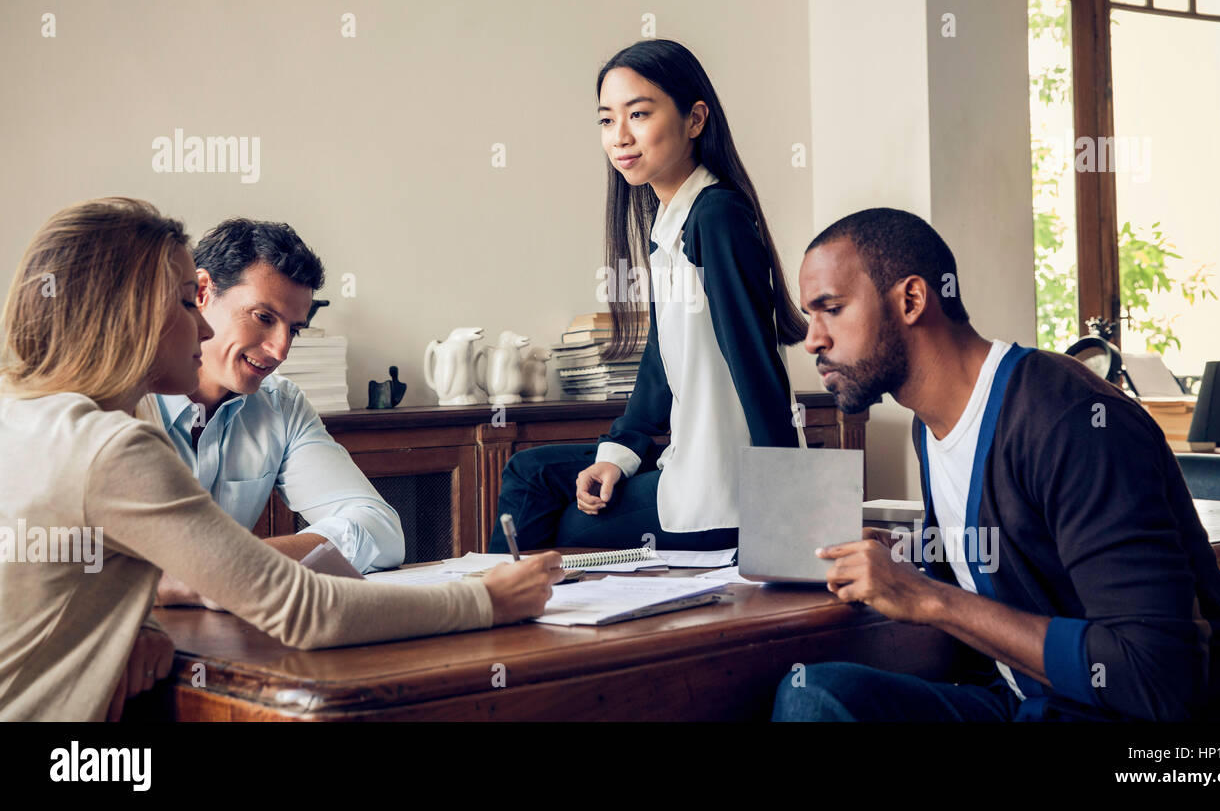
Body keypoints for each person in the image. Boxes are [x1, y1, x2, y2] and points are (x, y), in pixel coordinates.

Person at [0, 198, 561, 721]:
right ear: (129, 313)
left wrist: (148, 612)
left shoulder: (26, 418)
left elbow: (54, 584)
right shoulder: (111, 446)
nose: (198, 323)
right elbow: (306, 609)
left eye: (294, 327)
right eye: (182, 301)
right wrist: (486, 599)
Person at [772, 207, 1220, 721]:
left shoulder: (1073, 421)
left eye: (831, 308)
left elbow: (1157, 675)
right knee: (816, 698)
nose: (813, 338)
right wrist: (912, 560)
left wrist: (927, 597)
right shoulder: (930, 425)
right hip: (1031, 703)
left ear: (911, 299)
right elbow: (1015, 569)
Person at [489, 39, 806, 552]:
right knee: (531, 471)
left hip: (722, 495)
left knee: (550, 513)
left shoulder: (715, 216)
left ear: (695, 119)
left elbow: (755, 363)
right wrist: (617, 456)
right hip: (693, 467)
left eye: (638, 114)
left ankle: (496, 612)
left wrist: (790, 508)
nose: (620, 137)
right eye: (607, 120)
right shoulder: (670, 223)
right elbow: (659, 366)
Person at [139, 220, 401, 606]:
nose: (280, 350)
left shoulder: (282, 405)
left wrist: (236, 563)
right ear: (201, 292)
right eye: (263, 317)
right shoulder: (121, 398)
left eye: (293, 330)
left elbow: (381, 530)